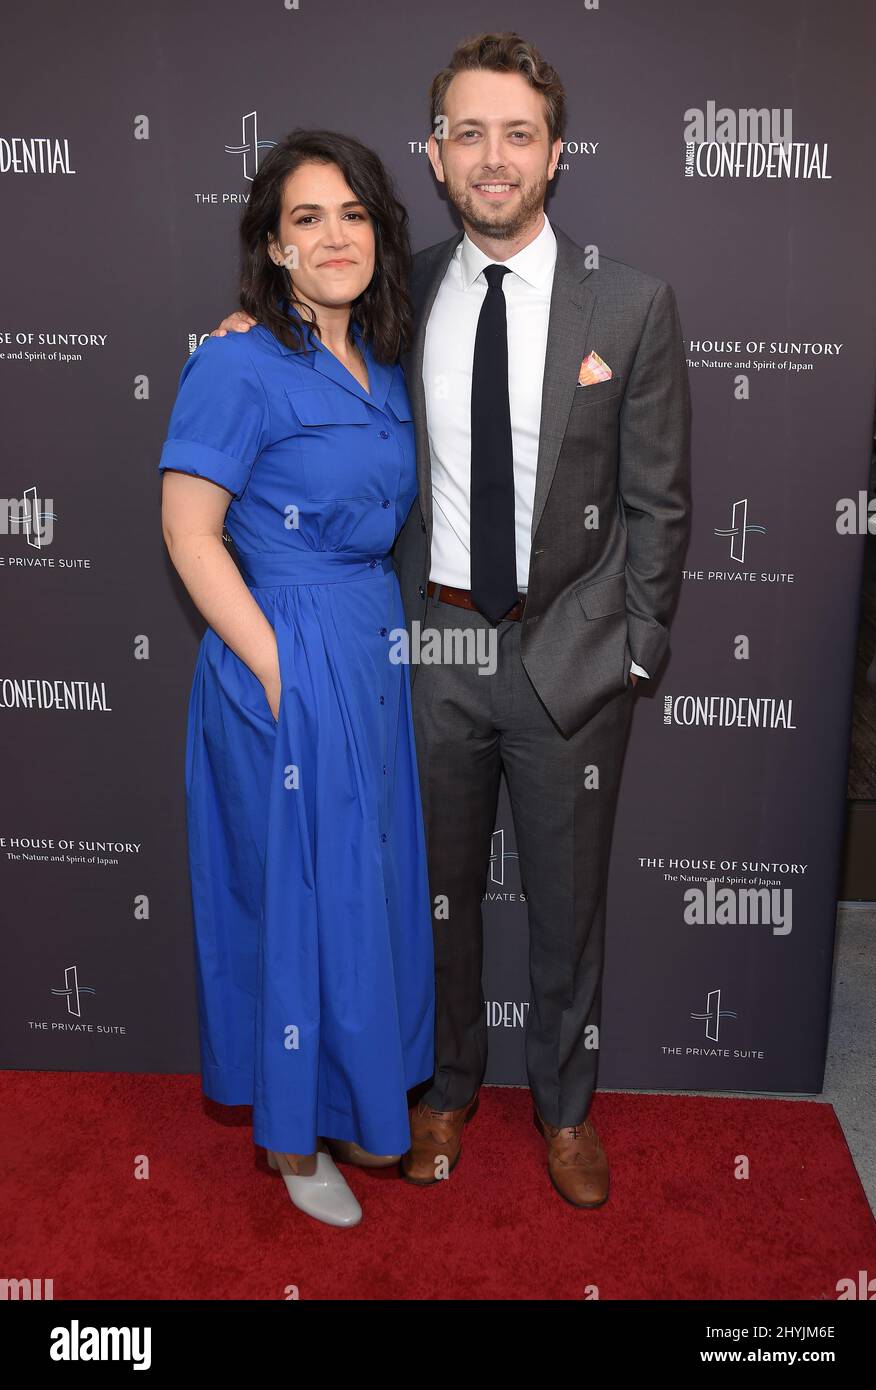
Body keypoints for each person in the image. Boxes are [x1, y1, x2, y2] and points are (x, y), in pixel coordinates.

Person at [212, 31, 691, 1210]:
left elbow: (660, 502)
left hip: (571, 650)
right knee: (430, 899)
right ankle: (442, 1094)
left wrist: (633, 647)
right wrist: (241, 326)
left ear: (555, 153)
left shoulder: (629, 306)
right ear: (434, 156)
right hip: (426, 649)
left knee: (569, 908)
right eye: (468, 133)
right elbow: (297, 361)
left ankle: (567, 1111)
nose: (493, 157)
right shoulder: (392, 289)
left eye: (517, 133)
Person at [158, 130, 434, 1229]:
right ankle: (288, 1140)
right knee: (293, 897)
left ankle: (358, 1096)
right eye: (307, 218)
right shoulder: (234, 361)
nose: (334, 236)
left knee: (358, 892)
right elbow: (189, 533)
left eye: (354, 215)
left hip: (368, 647)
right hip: (282, 656)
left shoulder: (383, 359)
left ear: (380, 234)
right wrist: (281, 674)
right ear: (272, 246)